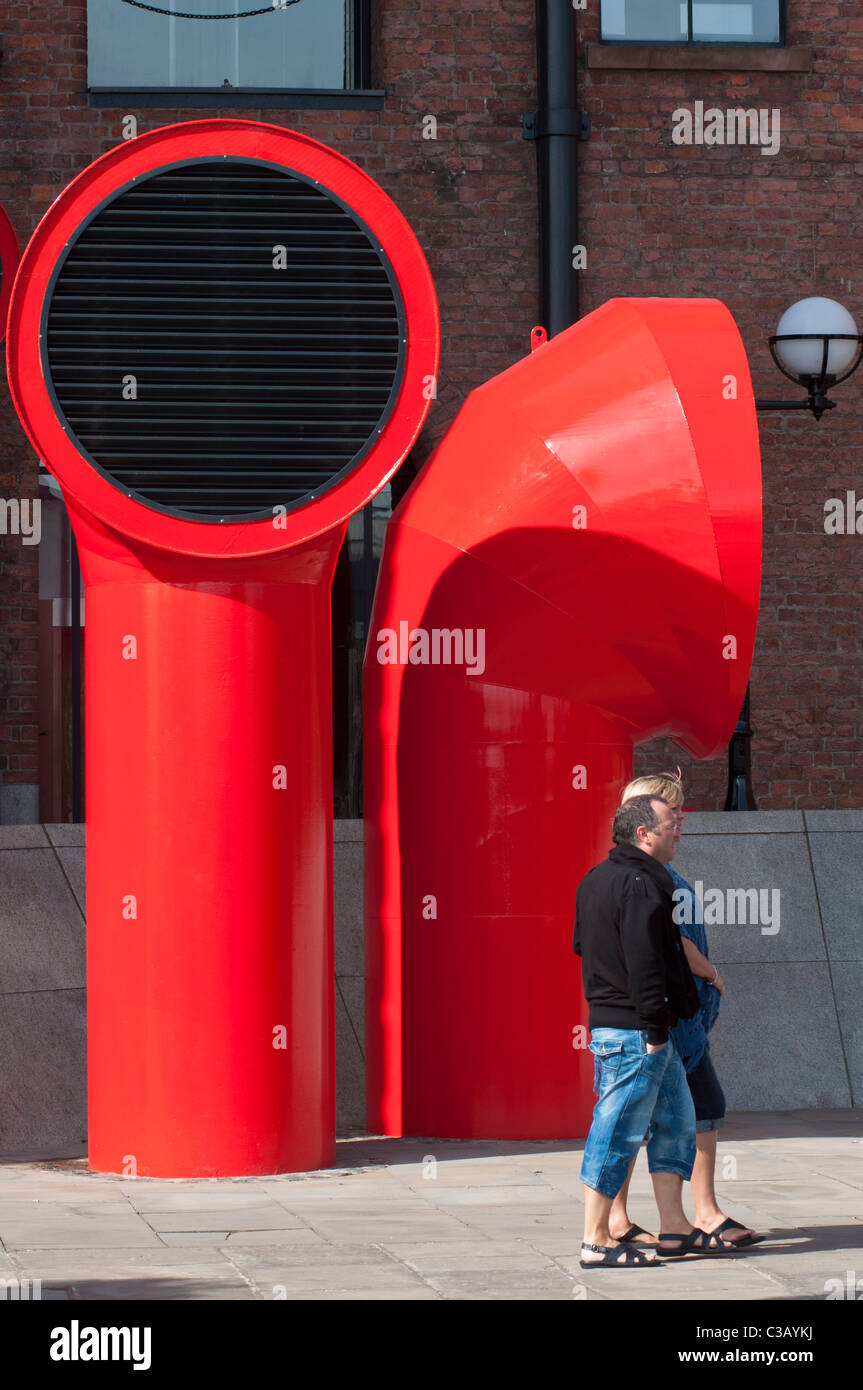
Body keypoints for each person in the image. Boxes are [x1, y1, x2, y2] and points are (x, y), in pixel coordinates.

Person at [605, 771, 764, 1253]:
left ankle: (649, 1217)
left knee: (649, 1113)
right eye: (673, 814)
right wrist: (712, 972)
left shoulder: (647, 874)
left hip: (679, 1013)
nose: (679, 823)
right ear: (645, 823)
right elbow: (672, 941)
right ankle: (690, 1215)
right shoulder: (653, 878)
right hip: (673, 1015)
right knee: (688, 1108)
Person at [573, 794, 700, 1267]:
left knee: (676, 1121)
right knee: (617, 1131)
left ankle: (675, 1228)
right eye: (671, 822)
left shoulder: (595, 878)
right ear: (644, 834)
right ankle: (595, 1240)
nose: (678, 829)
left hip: (627, 1026)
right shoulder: (643, 883)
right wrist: (653, 1029)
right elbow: (645, 961)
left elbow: (580, 943)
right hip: (638, 1032)